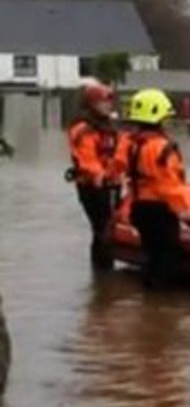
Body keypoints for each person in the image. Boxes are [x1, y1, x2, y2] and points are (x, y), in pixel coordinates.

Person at [125, 89, 190, 287]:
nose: (168, 122)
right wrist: (187, 214)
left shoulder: (132, 144)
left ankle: (149, 306)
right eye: (166, 117)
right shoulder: (162, 148)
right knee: (166, 258)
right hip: (159, 210)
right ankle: (161, 310)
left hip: (139, 208)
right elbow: (169, 186)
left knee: (150, 255)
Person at [67, 80, 129, 270]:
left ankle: (103, 274)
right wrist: (100, 175)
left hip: (112, 183)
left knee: (107, 226)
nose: (108, 105)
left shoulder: (110, 128)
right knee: (102, 227)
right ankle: (103, 272)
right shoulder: (83, 130)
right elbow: (87, 158)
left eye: (110, 102)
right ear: (92, 105)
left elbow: (122, 150)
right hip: (92, 186)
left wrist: (119, 172)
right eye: (104, 102)